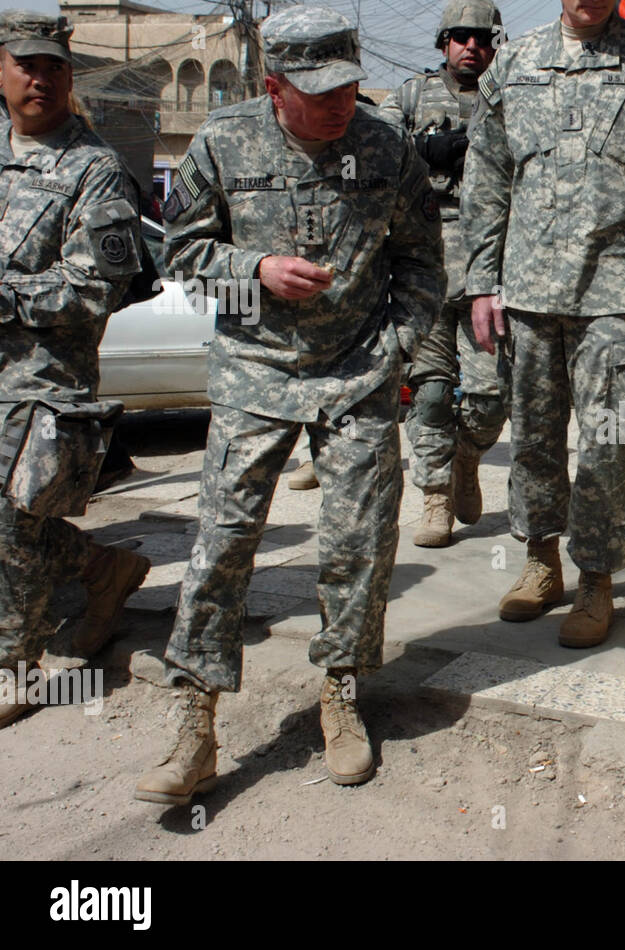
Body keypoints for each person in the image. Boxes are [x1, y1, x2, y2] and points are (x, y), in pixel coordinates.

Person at [134, 5, 444, 803]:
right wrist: (257, 268)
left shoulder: (386, 147)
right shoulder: (223, 143)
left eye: (346, 85)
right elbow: (184, 255)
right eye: (318, 91)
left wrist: (395, 353)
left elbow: (421, 263)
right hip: (253, 373)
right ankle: (195, 721)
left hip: (357, 374)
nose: (339, 103)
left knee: (359, 543)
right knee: (222, 544)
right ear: (274, 87)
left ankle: (341, 691)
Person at [461, 0, 625, 648]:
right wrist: (481, 281)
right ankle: (541, 563)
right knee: (535, 436)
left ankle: (596, 577)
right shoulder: (512, 63)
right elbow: (484, 179)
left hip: (620, 287)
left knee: (607, 441)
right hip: (530, 287)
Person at [0, 10, 151, 727]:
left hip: (44, 377)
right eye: (26, 65)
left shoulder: (94, 168)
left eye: (54, 67)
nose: (40, 78)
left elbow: (97, 285)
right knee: (13, 526)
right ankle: (104, 570)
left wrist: (6, 299)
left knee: (13, 516)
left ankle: (13, 667)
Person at [377, 0, 509, 547]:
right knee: (430, 395)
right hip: (424, 270)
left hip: (490, 272)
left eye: (480, 38)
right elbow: (371, 154)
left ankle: (465, 460)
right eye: (460, 37)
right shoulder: (410, 97)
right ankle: (434, 497)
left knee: (490, 399)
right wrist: (418, 150)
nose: (470, 47)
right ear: (444, 43)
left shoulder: (510, 97)